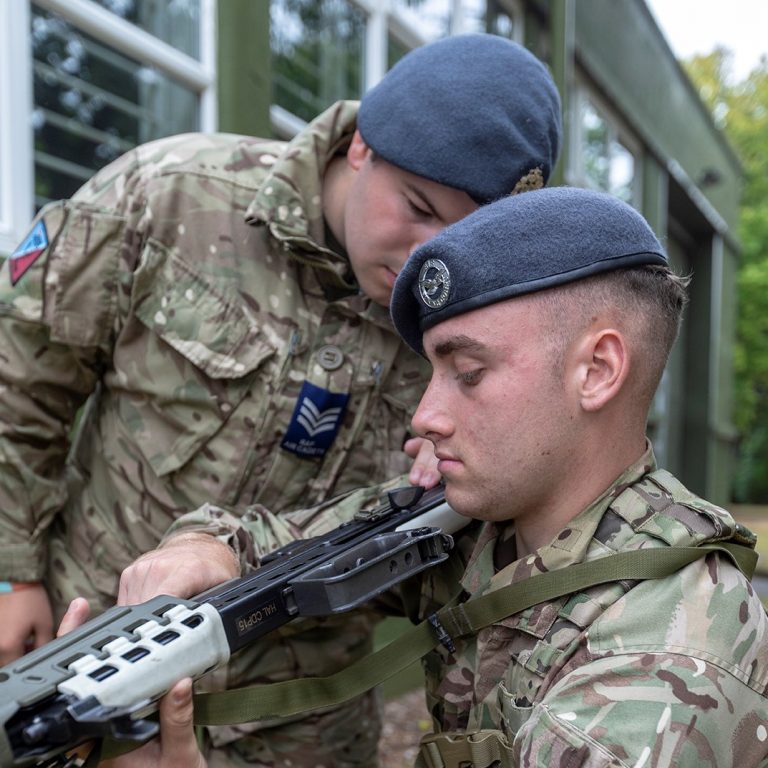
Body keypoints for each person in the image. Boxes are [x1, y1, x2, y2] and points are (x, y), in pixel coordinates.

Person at [0, 32, 561, 768]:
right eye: (419, 207)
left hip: (303, 728)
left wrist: (463, 462)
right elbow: (21, 376)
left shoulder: (477, 314)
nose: (430, 256)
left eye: (465, 236)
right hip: (97, 679)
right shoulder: (170, 198)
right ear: (361, 146)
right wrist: (14, 570)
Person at [77, 185, 768, 767]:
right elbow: (291, 546)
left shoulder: (663, 661)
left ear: (597, 371)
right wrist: (207, 548)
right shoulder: (483, 518)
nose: (426, 414)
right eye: (431, 372)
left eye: (468, 373)